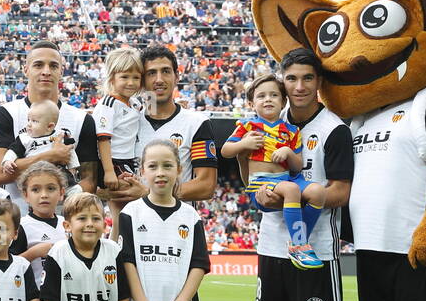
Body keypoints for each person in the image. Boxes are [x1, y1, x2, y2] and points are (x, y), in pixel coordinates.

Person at [247, 49, 352, 301]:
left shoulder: (334, 130)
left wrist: (304, 192)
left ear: (318, 82)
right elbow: (255, 182)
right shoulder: (270, 126)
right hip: (272, 248)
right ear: (282, 81)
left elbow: (343, 192)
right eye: (292, 79)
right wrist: (266, 195)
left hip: (317, 252)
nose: (300, 86)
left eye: (308, 78)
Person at [222, 73, 326, 270]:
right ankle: (298, 244)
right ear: (252, 104)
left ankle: (300, 242)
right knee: (291, 190)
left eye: (273, 95)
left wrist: (288, 152)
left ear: (284, 101)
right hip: (261, 183)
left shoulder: (291, 131)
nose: (268, 99)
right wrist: (244, 143)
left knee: (319, 192)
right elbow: (226, 151)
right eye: (261, 96)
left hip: (286, 179)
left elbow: (297, 166)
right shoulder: (248, 127)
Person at [117, 140, 209, 301]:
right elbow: (127, 263)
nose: (160, 172)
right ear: (142, 171)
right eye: (152, 166)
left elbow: (199, 265)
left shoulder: (190, 216)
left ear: (179, 170)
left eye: (167, 166)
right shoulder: (131, 213)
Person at [0, 39, 98, 209]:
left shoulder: (81, 119)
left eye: (53, 66)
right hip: (18, 218)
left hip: (64, 218)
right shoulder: (6, 114)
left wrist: (70, 193)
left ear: (61, 71)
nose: (46, 71)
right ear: (25, 70)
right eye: (38, 65)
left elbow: (90, 179)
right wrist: (50, 156)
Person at [41, 192, 130, 301]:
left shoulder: (113, 251)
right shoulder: (58, 253)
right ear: (67, 225)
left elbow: (123, 296)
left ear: (104, 225)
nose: (89, 223)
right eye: (82, 218)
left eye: (96, 218)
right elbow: (51, 298)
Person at [131, 45, 218, 203]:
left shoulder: (196, 123)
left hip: (179, 225)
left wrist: (147, 193)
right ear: (142, 80)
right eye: (151, 73)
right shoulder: (128, 123)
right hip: (134, 224)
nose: (159, 79)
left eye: (165, 71)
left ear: (176, 76)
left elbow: (206, 185)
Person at [93, 46, 144, 239]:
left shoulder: (135, 103)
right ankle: (115, 252)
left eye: (136, 77)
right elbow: (103, 139)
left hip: (131, 161)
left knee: (127, 215)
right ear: (112, 77)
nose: (131, 82)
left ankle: (120, 251)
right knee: (120, 214)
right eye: (125, 77)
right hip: (115, 163)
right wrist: (108, 171)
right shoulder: (108, 104)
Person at [17, 161, 69, 282]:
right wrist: (33, 253)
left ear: (61, 193)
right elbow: (7, 267)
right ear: (26, 195)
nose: (44, 195)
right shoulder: (21, 226)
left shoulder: (69, 224)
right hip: (36, 298)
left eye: (51, 188)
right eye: (36, 190)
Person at [0, 100, 64, 180]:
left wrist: (73, 167)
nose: (29, 124)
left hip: (56, 175)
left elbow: (69, 152)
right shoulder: (24, 139)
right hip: (32, 176)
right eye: (28, 120)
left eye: (34, 121)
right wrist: (7, 161)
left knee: (70, 184)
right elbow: (13, 151)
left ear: (49, 126)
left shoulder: (58, 136)